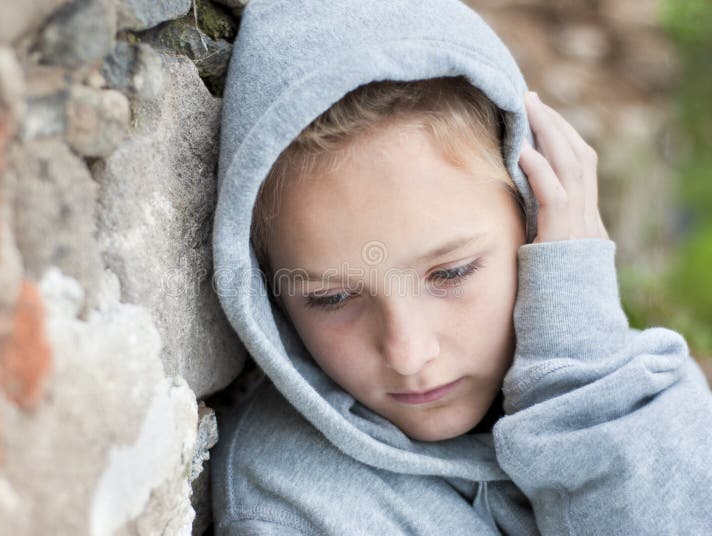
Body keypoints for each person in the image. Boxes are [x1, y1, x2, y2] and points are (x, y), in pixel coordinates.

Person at [208, 1, 712, 534]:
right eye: (332, 298)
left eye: (450, 273)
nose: (409, 353)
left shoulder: (638, 391)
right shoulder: (290, 504)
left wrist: (582, 377)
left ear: (535, 215)